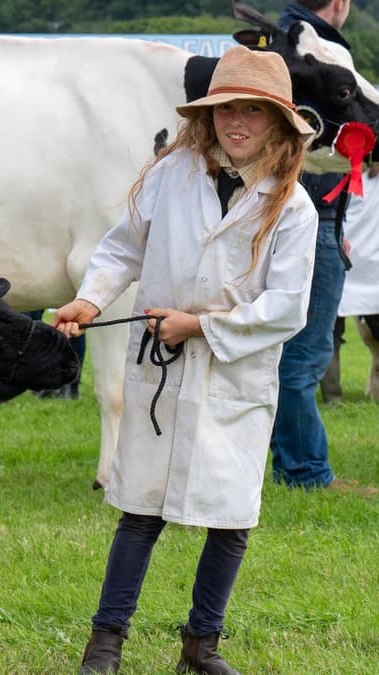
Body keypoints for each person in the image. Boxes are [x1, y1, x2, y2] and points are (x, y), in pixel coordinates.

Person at [53, 47, 317, 674]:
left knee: (230, 521)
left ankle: (201, 646)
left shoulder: (293, 207)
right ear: (209, 115)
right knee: (139, 512)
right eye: (228, 109)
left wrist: (199, 324)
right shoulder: (172, 176)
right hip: (161, 375)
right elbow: (122, 250)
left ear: (279, 123)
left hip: (233, 376)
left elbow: (287, 308)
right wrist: (91, 299)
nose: (239, 122)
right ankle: (105, 644)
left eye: (254, 111)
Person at [270, 0, 357, 491]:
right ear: (341, 3)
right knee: (303, 355)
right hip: (314, 213)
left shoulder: (277, 44)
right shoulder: (318, 51)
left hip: (299, 214)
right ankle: (303, 471)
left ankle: (291, 460)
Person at [321, 165, 379, 406]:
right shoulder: (334, 171)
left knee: (331, 334)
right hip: (343, 259)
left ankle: (333, 399)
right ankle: (332, 397)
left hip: (363, 266)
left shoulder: (329, 169)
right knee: (330, 334)